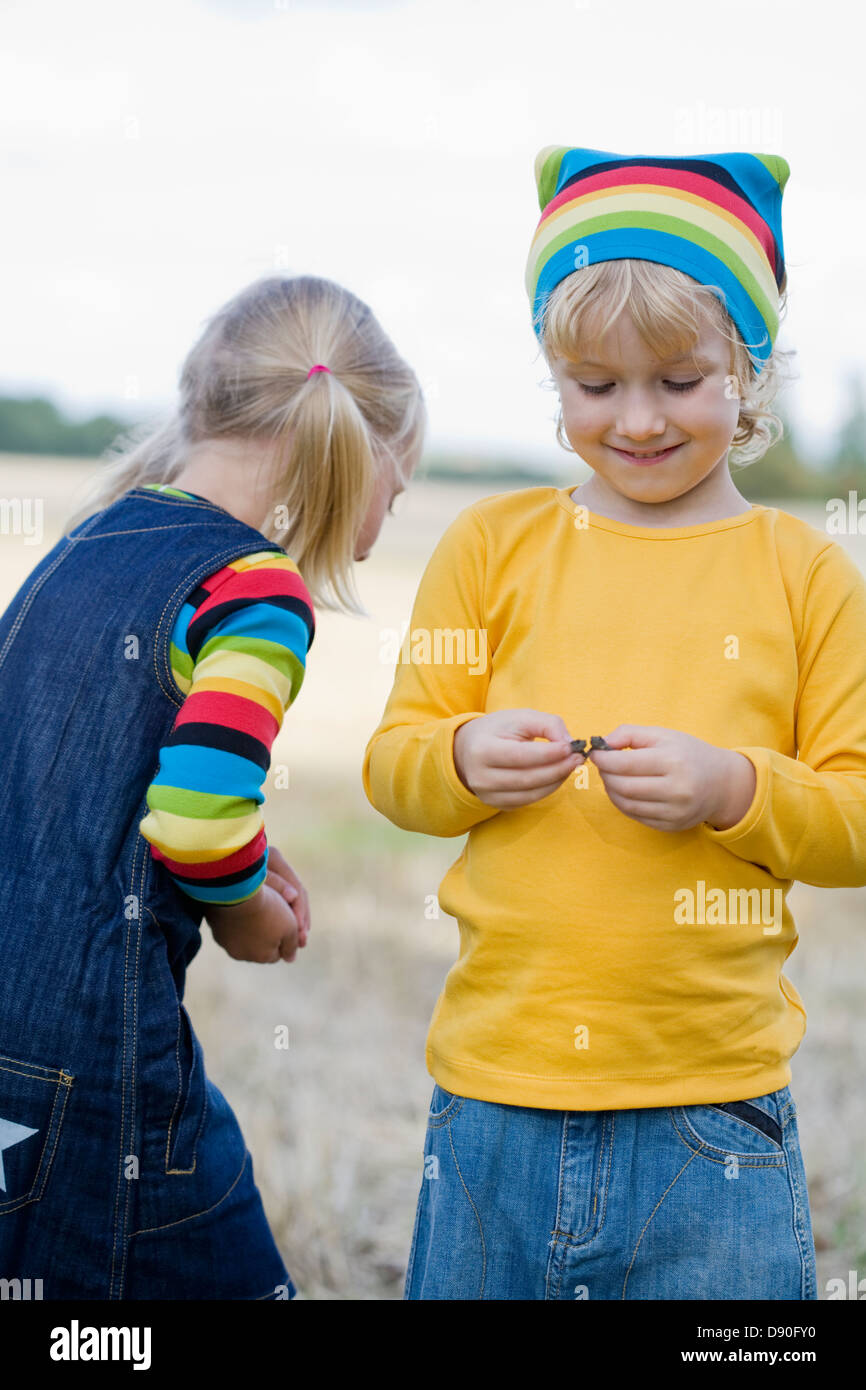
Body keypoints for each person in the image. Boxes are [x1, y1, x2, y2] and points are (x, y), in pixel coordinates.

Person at [363, 146, 866, 1300]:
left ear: (747, 368)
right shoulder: (491, 547)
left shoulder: (803, 577)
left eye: (679, 379)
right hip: (494, 1095)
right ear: (554, 377)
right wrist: (459, 758)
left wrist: (736, 788)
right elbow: (395, 764)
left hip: (711, 1113)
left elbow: (850, 815)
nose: (635, 419)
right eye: (593, 386)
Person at [0, 273, 425, 1299]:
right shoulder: (257, 590)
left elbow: (75, 782)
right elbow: (192, 823)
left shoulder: (85, 541)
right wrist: (240, 908)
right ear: (345, 450)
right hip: (97, 1071)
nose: (390, 510)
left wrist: (236, 844)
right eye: (396, 483)